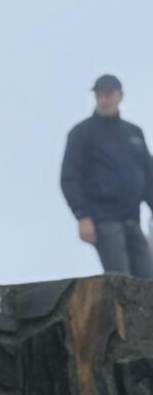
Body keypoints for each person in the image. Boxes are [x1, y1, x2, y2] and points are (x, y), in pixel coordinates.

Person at [60, 74, 153, 278]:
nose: (104, 99)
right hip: (104, 219)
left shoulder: (134, 133)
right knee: (120, 280)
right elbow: (70, 177)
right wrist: (82, 216)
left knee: (147, 281)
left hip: (132, 218)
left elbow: (148, 177)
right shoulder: (82, 133)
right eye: (100, 94)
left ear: (120, 96)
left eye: (108, 94)